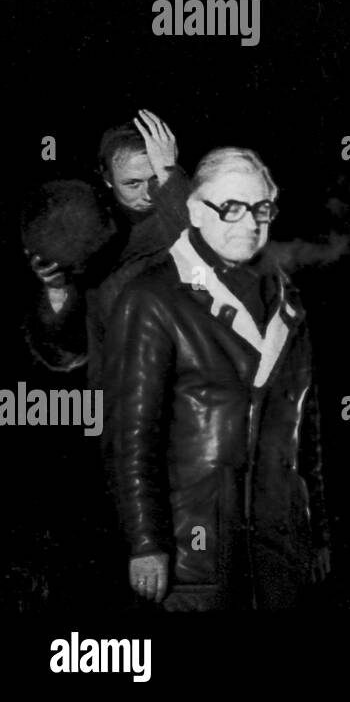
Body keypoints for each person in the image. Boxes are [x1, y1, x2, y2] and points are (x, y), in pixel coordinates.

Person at [103, 147, 329, 611]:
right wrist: (146, 543)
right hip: (198, 546)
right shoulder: (153, 298)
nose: (249, 223)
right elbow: (132, 435)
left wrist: (318, 533)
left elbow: (307, 432)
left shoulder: (291, 301)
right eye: (230, 207)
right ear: (194, 210)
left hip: (280, 547)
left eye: (260, 208)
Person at [24, 110, 189, 384]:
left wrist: (171, 178)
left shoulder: (199, 214)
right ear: (108, 178)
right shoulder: (93, 246)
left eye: (157, 179)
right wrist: (56, 291)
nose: (149, 195)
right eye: (132, 184)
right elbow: (66, 355)